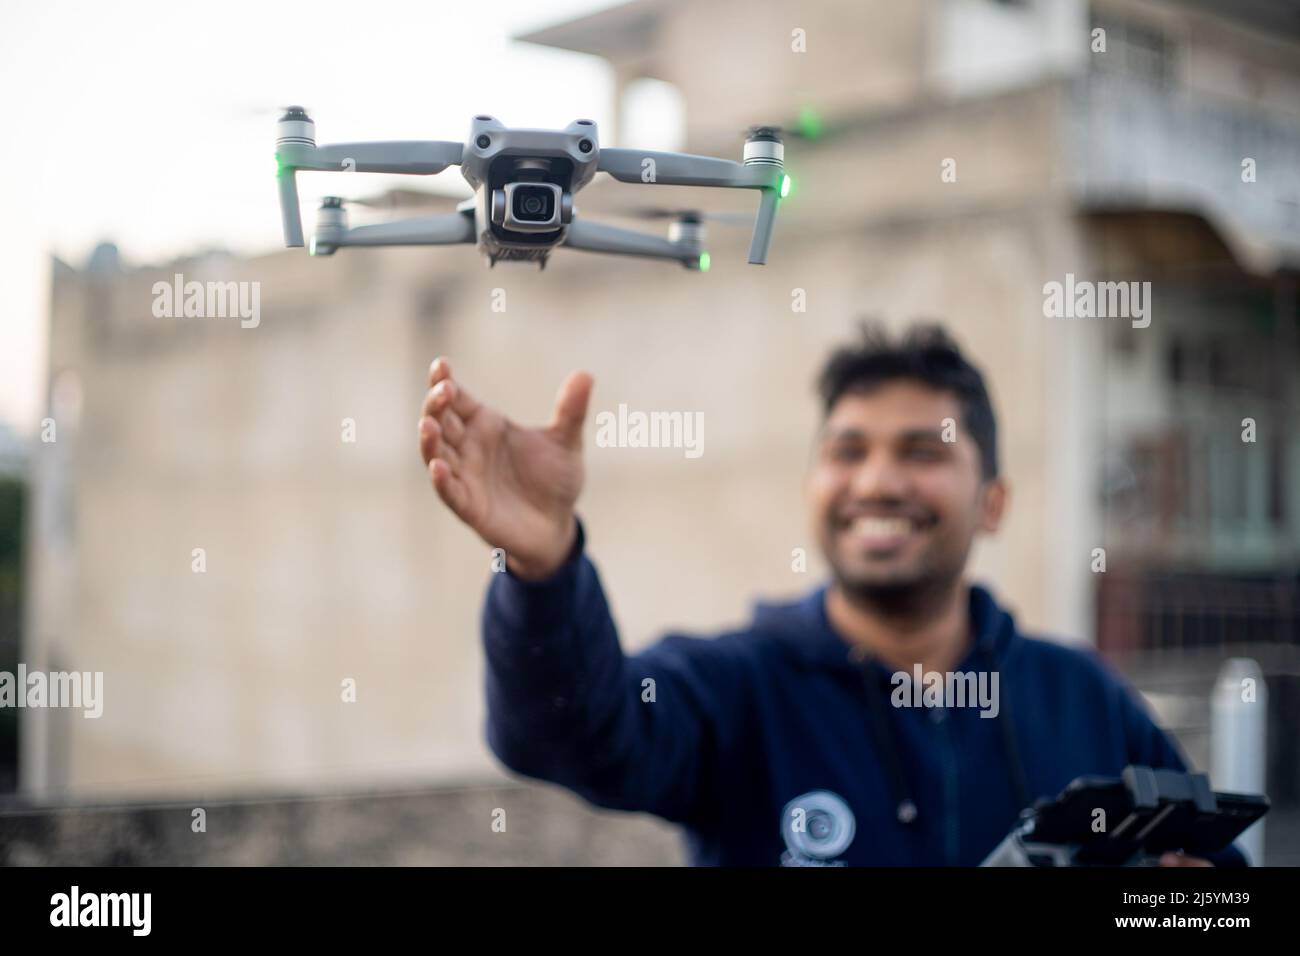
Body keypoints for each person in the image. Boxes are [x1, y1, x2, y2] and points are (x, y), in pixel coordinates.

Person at [416, 323, 1243, 867]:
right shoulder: (736, 689)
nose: (878, 481)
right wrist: (543, 567)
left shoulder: (1082, 700)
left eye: (922, 451)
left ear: (993, 501)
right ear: (815, 484)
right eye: (848, 451)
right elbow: (564, 735)